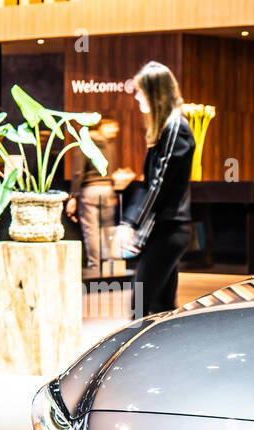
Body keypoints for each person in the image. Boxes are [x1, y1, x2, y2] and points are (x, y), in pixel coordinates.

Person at [115, 62, 194, 317]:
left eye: (140, 91)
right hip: (164, 229)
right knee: (159, 309)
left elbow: (160, 183)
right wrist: (130, 221)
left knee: (140, 308)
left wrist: (132, 224)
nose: (137, 98)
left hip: (169, 229)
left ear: (154, 92)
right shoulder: (166, 129)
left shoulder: (175, 127)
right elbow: (151, 182)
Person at [66, 116, 121, 273]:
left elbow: (78, 172)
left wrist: (73, 196)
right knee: (108, 229)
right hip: (107, 189)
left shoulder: (85, 144)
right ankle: (112, 267)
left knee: (92, 230)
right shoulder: (108, 144)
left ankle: (95, 267)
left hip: (90, 190)